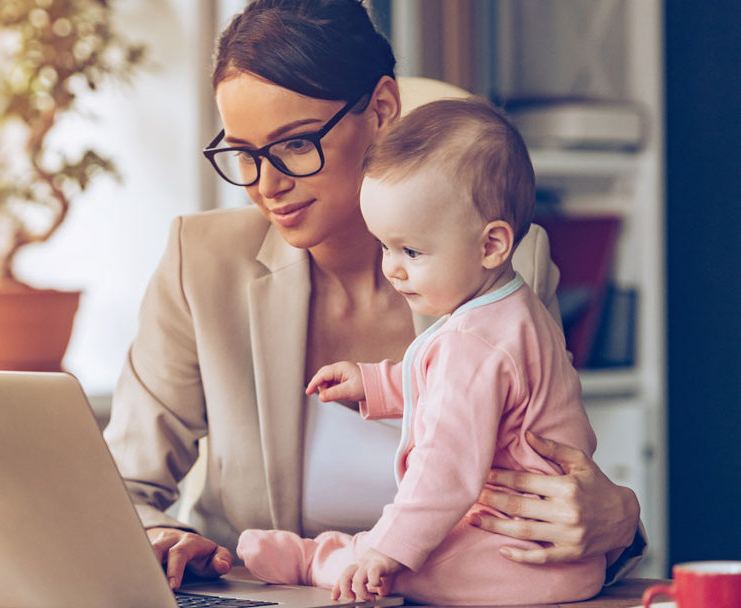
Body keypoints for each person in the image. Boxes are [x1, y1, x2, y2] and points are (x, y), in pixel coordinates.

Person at [102, 0, 644, 593]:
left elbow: (552, 459)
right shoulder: (201, 263)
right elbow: (120, 489)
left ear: (382, 109)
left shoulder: (502, 266)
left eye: (294, 145)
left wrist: (619, 521)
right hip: (267, 598)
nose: (267, 184)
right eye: (244, 154)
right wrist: (163, 538)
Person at [236, 97, 606, 605]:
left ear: (491, 245)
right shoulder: (512, 310)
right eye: (384, 246)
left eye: (411, 251)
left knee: (402, 569)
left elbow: (445, 470)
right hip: (556, 553)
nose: (392, 268)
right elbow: (458, 389)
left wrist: (387, 550)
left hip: (516, 556)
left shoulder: (471, 341)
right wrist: (374, 384)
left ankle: (317, 559)